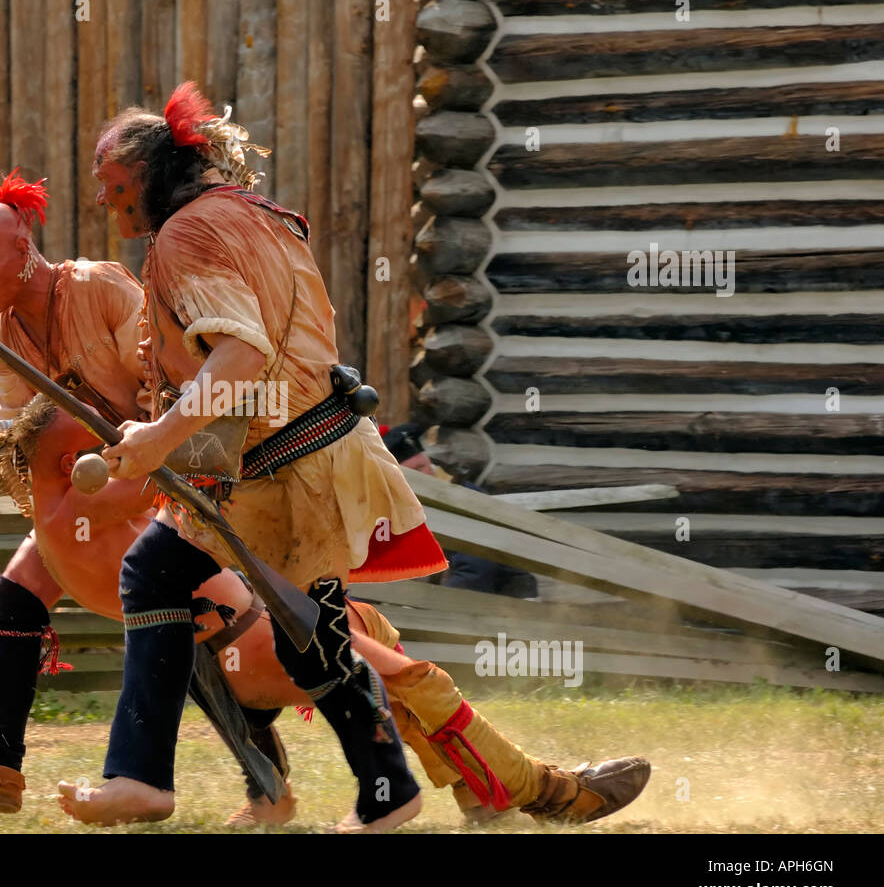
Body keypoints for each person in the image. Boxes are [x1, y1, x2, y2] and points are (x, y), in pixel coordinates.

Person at [58, 83, 651, 831]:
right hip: (305, 457)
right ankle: (421, 789)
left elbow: (241, 355)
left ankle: (156, 779)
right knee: (309, 635)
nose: (107, 205)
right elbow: (260, 367)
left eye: (114, 186)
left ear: (148, 174)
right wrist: (165, 438)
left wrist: (158, 439)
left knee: (276, 619)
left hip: (287, 472)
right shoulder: (253, 214)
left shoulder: (185, 236)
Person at [0, 169, 150, 814]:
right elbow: (22, 433)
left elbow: (163, 382)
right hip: (83, 495)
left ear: (22, 247)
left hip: (159, 478)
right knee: (16, 598)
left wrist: (134, 459)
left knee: (201, 628)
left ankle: (264, 784)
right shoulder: (1, 335)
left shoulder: (102, 288)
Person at [381, 422, 539, 598]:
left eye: (421, 467)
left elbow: (475, 571)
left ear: (429, 463)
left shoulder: (464, 499)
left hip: (508, 600)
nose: (422, 477)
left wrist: (432, 607)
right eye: (412, 474)